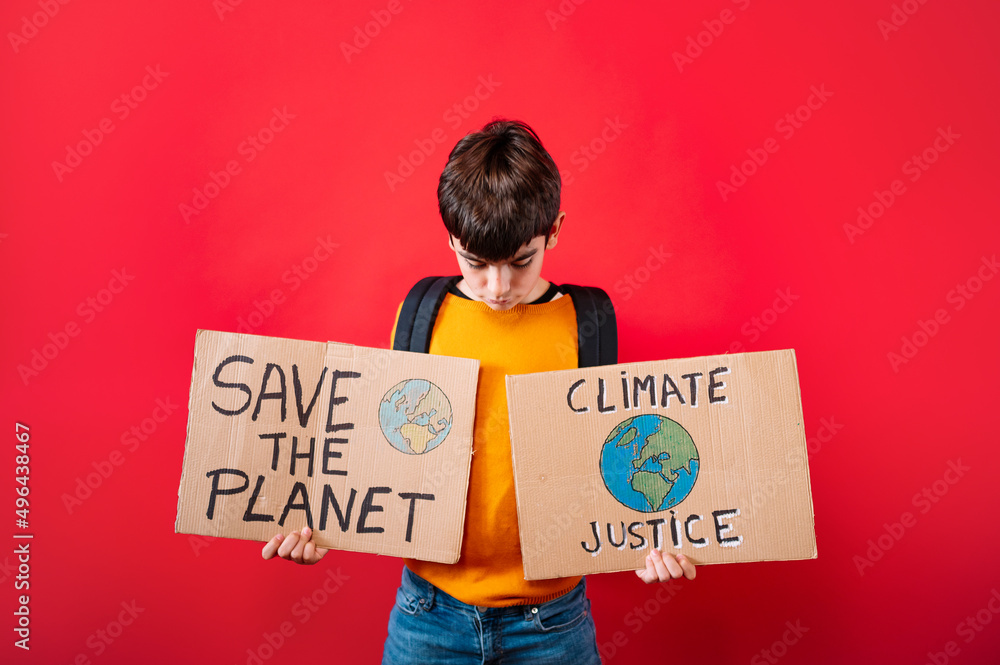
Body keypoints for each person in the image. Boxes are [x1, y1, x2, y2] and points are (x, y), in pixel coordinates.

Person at [261, 118, 696, 663]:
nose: (497, 287)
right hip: (429, 615)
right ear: (450, 238)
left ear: (555, 231)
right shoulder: (421, 314)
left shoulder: (588, 323)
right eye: (475, 262)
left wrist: (653, 536)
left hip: (552, 624)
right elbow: (385, 456)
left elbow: (612, 462)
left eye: (519, 262)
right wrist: (321, 524)